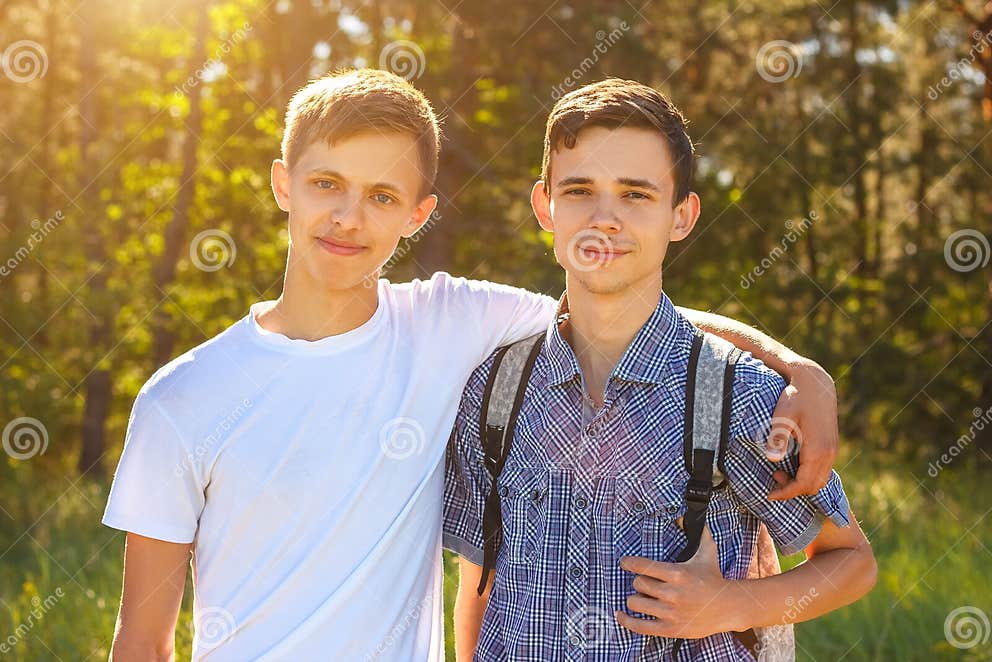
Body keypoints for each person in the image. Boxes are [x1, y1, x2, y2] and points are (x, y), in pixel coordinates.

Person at [104, 69, 843, 661]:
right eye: (326, 183)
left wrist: (798, 370)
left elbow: (615, 301)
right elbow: (142, 644)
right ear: (281, 183)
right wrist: (799, 366)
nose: (349, 218)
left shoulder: (448, 322)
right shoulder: (183, 398)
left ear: (417, 214)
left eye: (381, 195)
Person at [444, 78, 877, 661]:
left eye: (636, 195)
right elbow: (481, 581)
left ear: (681, 215)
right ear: (545, 206)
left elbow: (851, 561)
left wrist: (729, 605)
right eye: (579, 190)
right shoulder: (495, 389)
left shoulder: (738, 395)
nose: (605, 219)